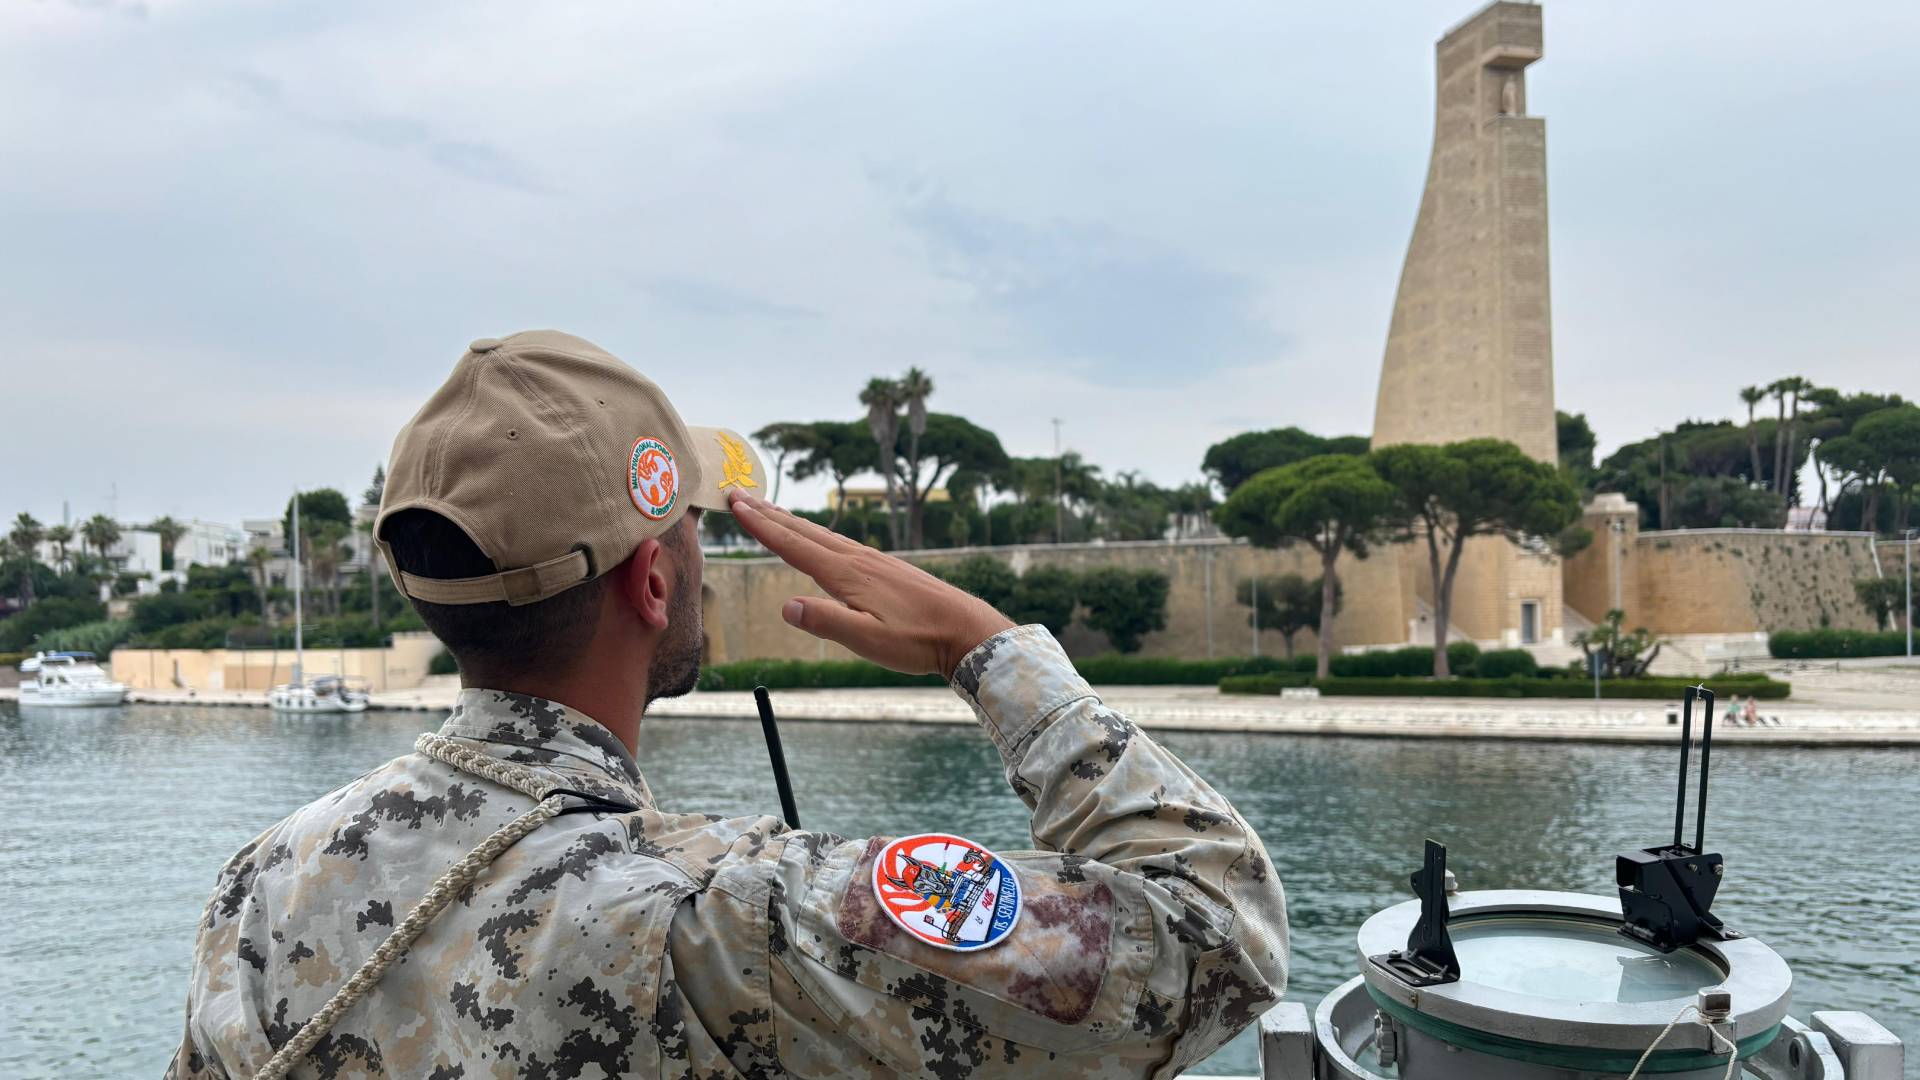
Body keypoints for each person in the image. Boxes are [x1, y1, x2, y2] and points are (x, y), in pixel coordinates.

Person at [167, 331, 1289, 1079]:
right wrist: (986, 648)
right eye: (693, 528)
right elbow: (1218, 934)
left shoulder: (262, 883)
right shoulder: (722, 921)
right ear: (652, 582)